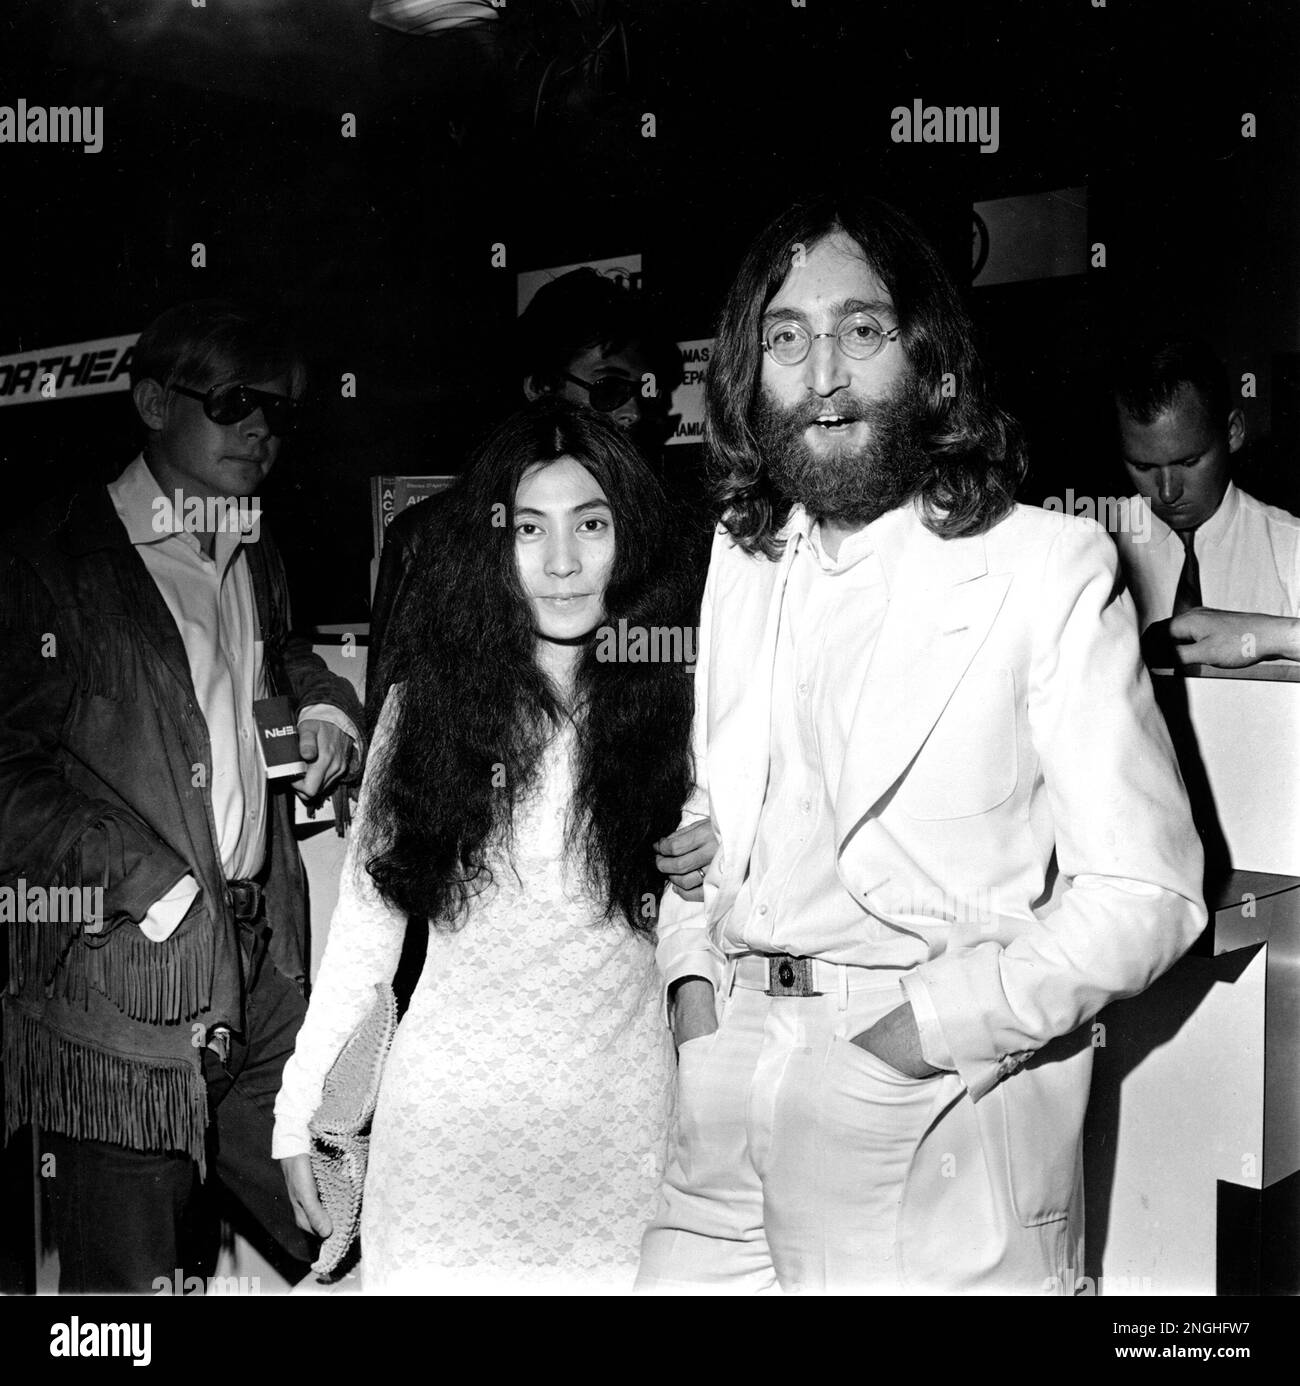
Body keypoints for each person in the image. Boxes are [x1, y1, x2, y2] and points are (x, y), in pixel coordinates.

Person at [635, 197, 1207, 1294]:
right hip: (729, 1072)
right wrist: (694, 996)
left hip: (923, 1093)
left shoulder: (1048, 568)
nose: (823, 377)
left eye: (861, 331)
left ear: (931, 360)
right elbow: (719, 818)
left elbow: (1148, 892)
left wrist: (919, 1036)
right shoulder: (744, 558)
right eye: (785, 339)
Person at [274, 397, 697, 1291]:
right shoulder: (426, 709)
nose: (564, 563)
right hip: (448, 1142)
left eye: (591, 525)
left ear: (631, 539)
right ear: (492, 550)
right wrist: (297, 1110)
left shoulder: (683, 710)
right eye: (530, 530)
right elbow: (365, 931)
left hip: (617, 1139)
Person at [0, 300, 364, 1292]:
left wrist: (325, 706)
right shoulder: (52, 560)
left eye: (280, 412)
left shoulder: (249, 540)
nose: (261, 431)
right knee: (132, 1291)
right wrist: (147, 884)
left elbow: (278, 650)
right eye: (235, 402)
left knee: (349, 1238)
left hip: (260, 968)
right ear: (154, 402)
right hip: (128, 993)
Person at [1110, 337, 1300, 670]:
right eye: (1143, 467)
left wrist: (1269, 635)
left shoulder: (1292, 546)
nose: (1167, 492)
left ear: (1233, 432)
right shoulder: (1095, 541)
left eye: (1189, 461)